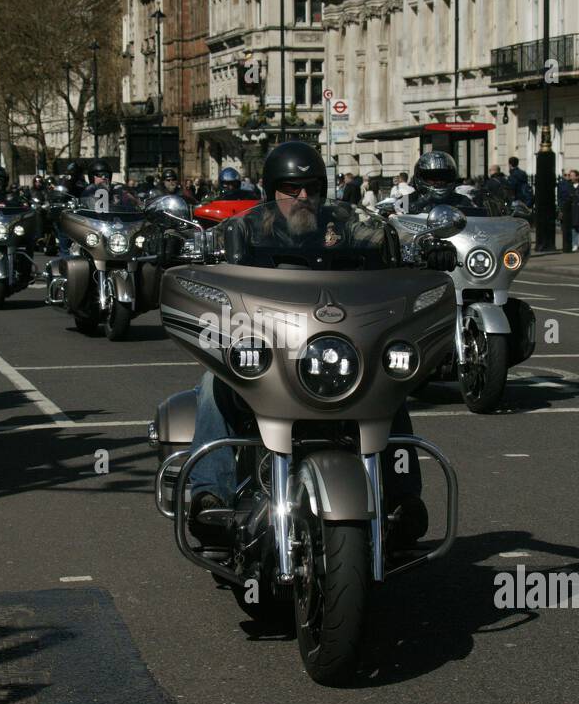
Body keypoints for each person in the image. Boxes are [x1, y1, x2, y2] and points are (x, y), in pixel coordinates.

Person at [183, 140, 456, 547]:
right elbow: (214, 260)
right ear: (272, 191)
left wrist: (421, 252)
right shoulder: (245, 232)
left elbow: (386, 244)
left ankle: (401, 496)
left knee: (389, 386)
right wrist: (184, 248)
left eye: (310, 187)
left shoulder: (346, 227)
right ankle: (210, 495)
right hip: (271, 347)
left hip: (334, 346)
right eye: (291, 189)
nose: (302, 197)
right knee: (213, 383)